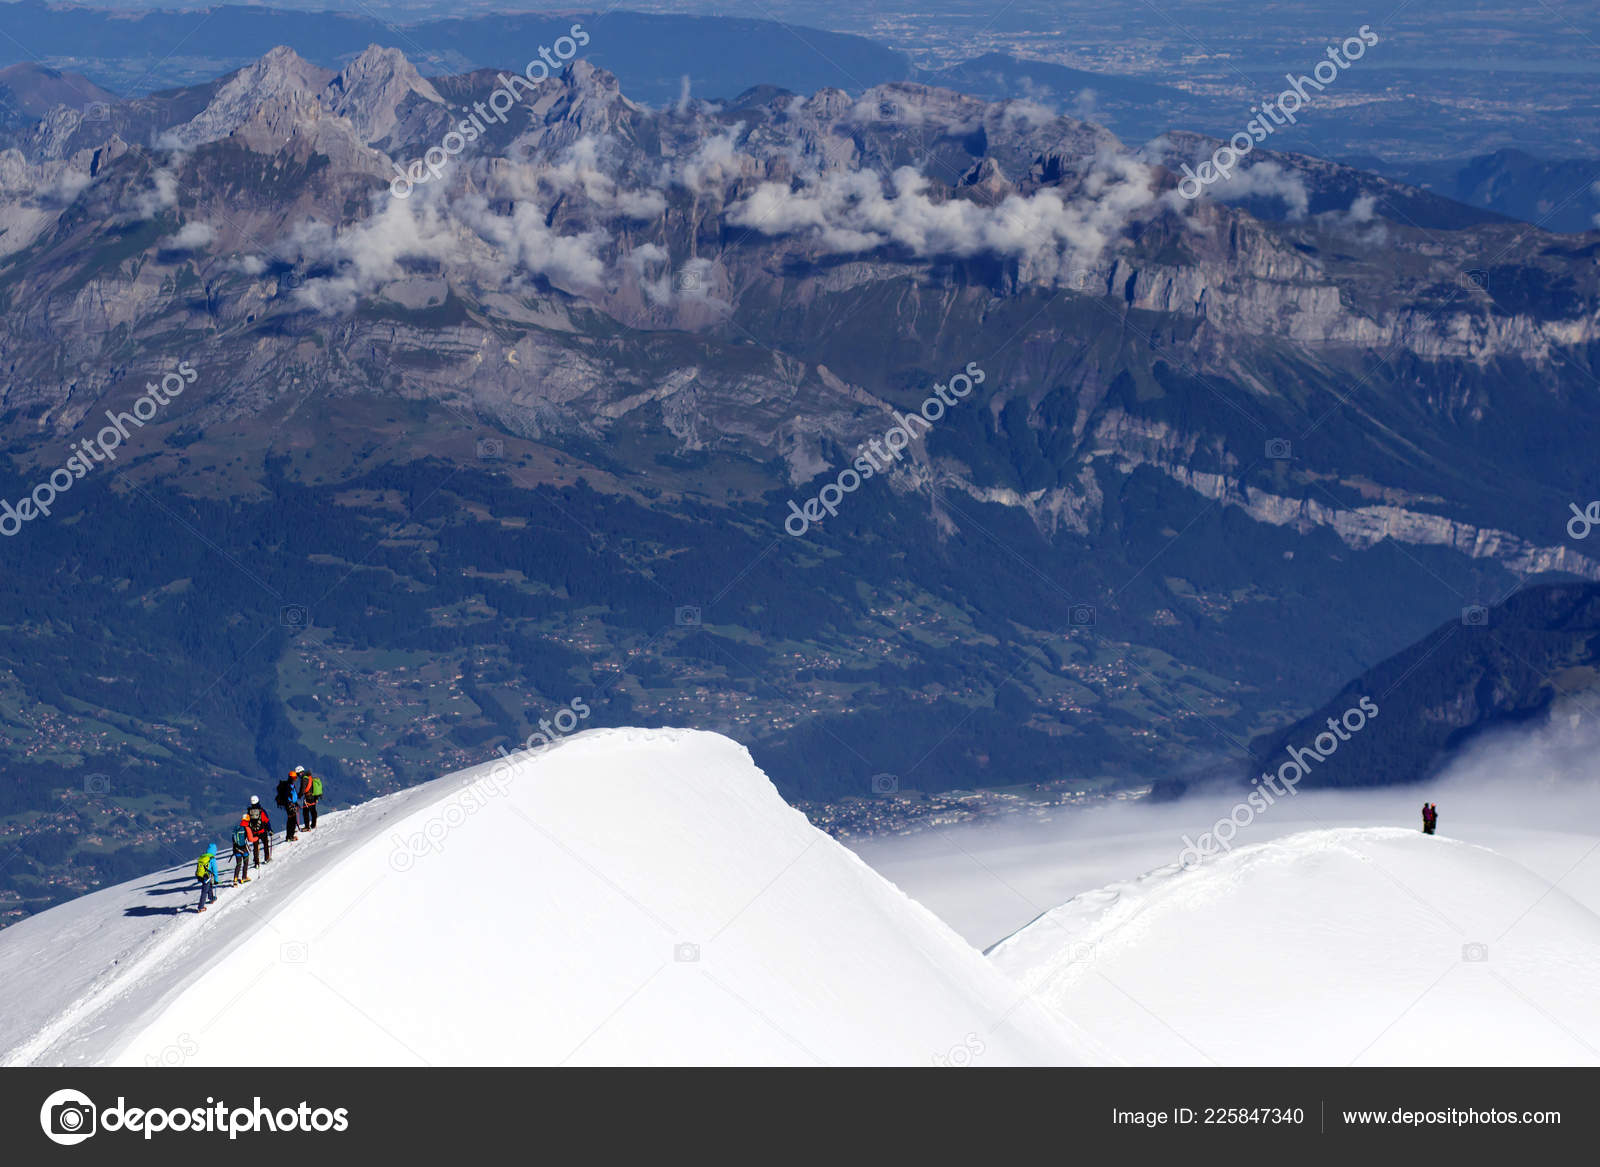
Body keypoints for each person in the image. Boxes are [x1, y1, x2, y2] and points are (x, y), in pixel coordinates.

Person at [246, 795, 272, 865]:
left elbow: (247, 823)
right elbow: (267, 821)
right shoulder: (262, 811)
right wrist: (270, 830)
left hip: (254, 832)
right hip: (262, 831)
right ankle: (267, 858)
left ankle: (256, 863)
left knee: (255, 847)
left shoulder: (249, 812)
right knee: (265, 844)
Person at [195, 844, 218, 913]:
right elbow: (215, 871)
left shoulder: (203, 856)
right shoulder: (212, 859)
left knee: (209, 886)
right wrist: (216, 880)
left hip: (200, 876)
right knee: (204, 891)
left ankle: (211, 898)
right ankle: (201, 907)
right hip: (206, 877)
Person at [280, 770, 301, 842]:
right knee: (292, 820)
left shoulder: (291, 785)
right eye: (295, 777)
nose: (296, 779)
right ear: (292, 777)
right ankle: (290, 836)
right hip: (289, 804)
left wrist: (295, 803)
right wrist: (290, 803)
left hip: (291, 804)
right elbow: (287, 796)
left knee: (291, 820)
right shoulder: (288, 786)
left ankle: (290, 835)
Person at [230, 818, 252, 885]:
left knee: (238, 864)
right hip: (244, 849)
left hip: (236, 850)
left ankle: (235, 878)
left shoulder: (236, 829)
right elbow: (249, 839)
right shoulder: (245, 829)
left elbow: (233, 840)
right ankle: (244, 877)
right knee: (245, 863)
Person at [298, 766, 321, 830]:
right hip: (313, 796)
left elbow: (302, 790)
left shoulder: (304, 779)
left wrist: (299, 795)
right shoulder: (309, 776)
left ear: (300, 773)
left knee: (305, 812)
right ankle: (313, 824)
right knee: (313, 811)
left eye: (298, 774)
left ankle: (307, 827)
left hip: (308, 797)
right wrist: (316, 797)